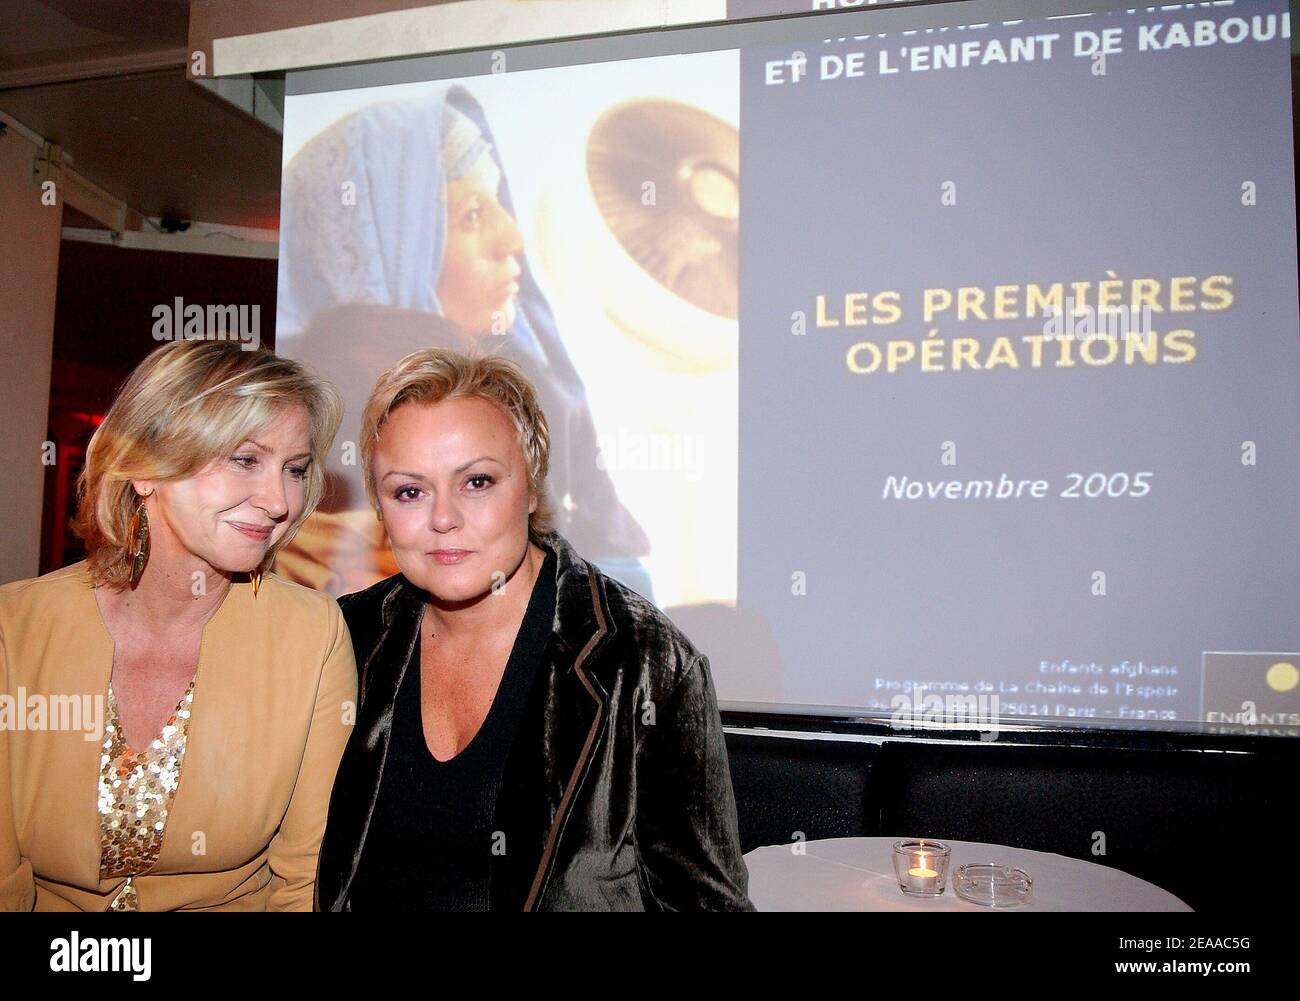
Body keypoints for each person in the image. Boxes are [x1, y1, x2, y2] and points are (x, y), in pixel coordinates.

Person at [317, 348, 752, 910]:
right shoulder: (347, 637)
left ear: (531, 486)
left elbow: (705, 905)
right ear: (379, 506)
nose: (443, 518)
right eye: (410, 491)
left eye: (476, 482)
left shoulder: (645, 662)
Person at [0, 340, 356, 911]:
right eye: (245, 459)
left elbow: (305, 879)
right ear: (145, 468)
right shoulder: (15, 630)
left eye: (294, 469)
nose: (277, 500)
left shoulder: (311, 637)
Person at [276, 84, 652, 598]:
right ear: (393, 244)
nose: (513, 238)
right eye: (473, 214)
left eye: (478, 482)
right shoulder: (313, 433)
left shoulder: (520, 390)